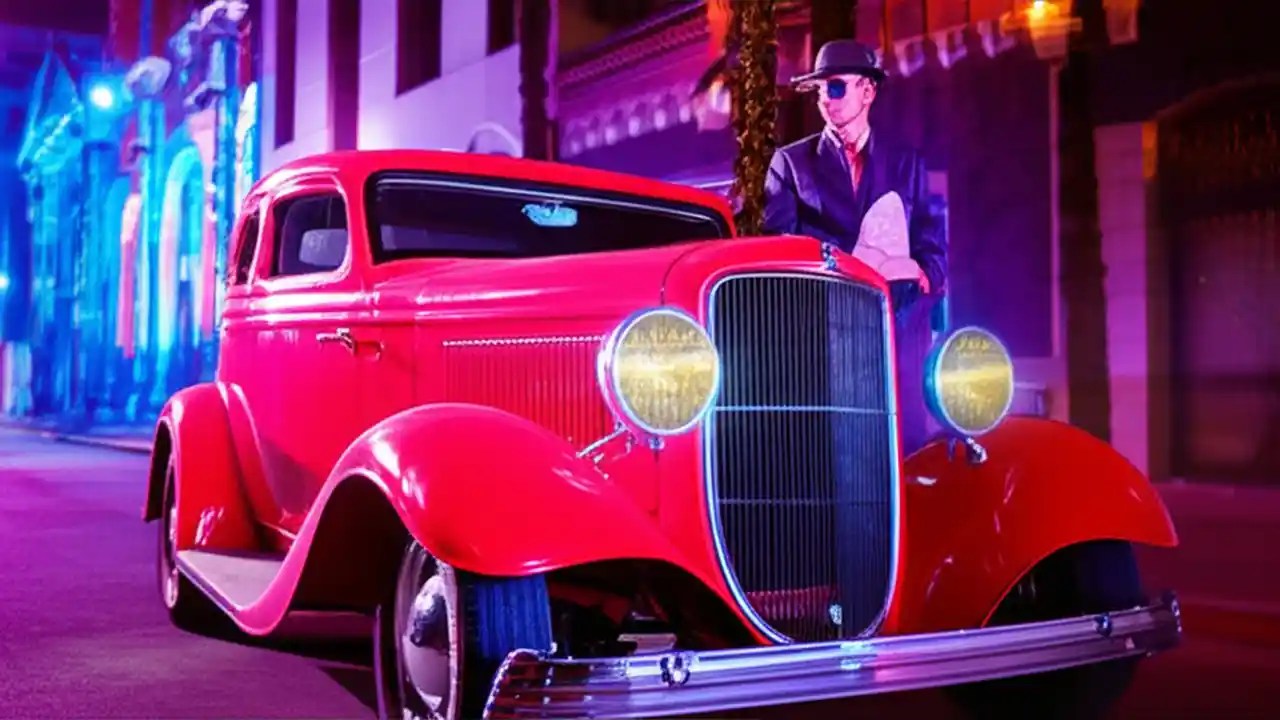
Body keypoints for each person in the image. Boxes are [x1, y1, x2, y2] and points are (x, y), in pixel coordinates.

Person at [763, 39, 948, 454]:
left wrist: (922, 274)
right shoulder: (791, 163)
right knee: (830, 459)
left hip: (896, 348)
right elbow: (779, 251)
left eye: (836, 87)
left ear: (868, 91)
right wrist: (846, 262)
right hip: (823, 349)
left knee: (901, 459)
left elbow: (932, 244)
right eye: (819, 90)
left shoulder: (906, 162)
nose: (826, 100)